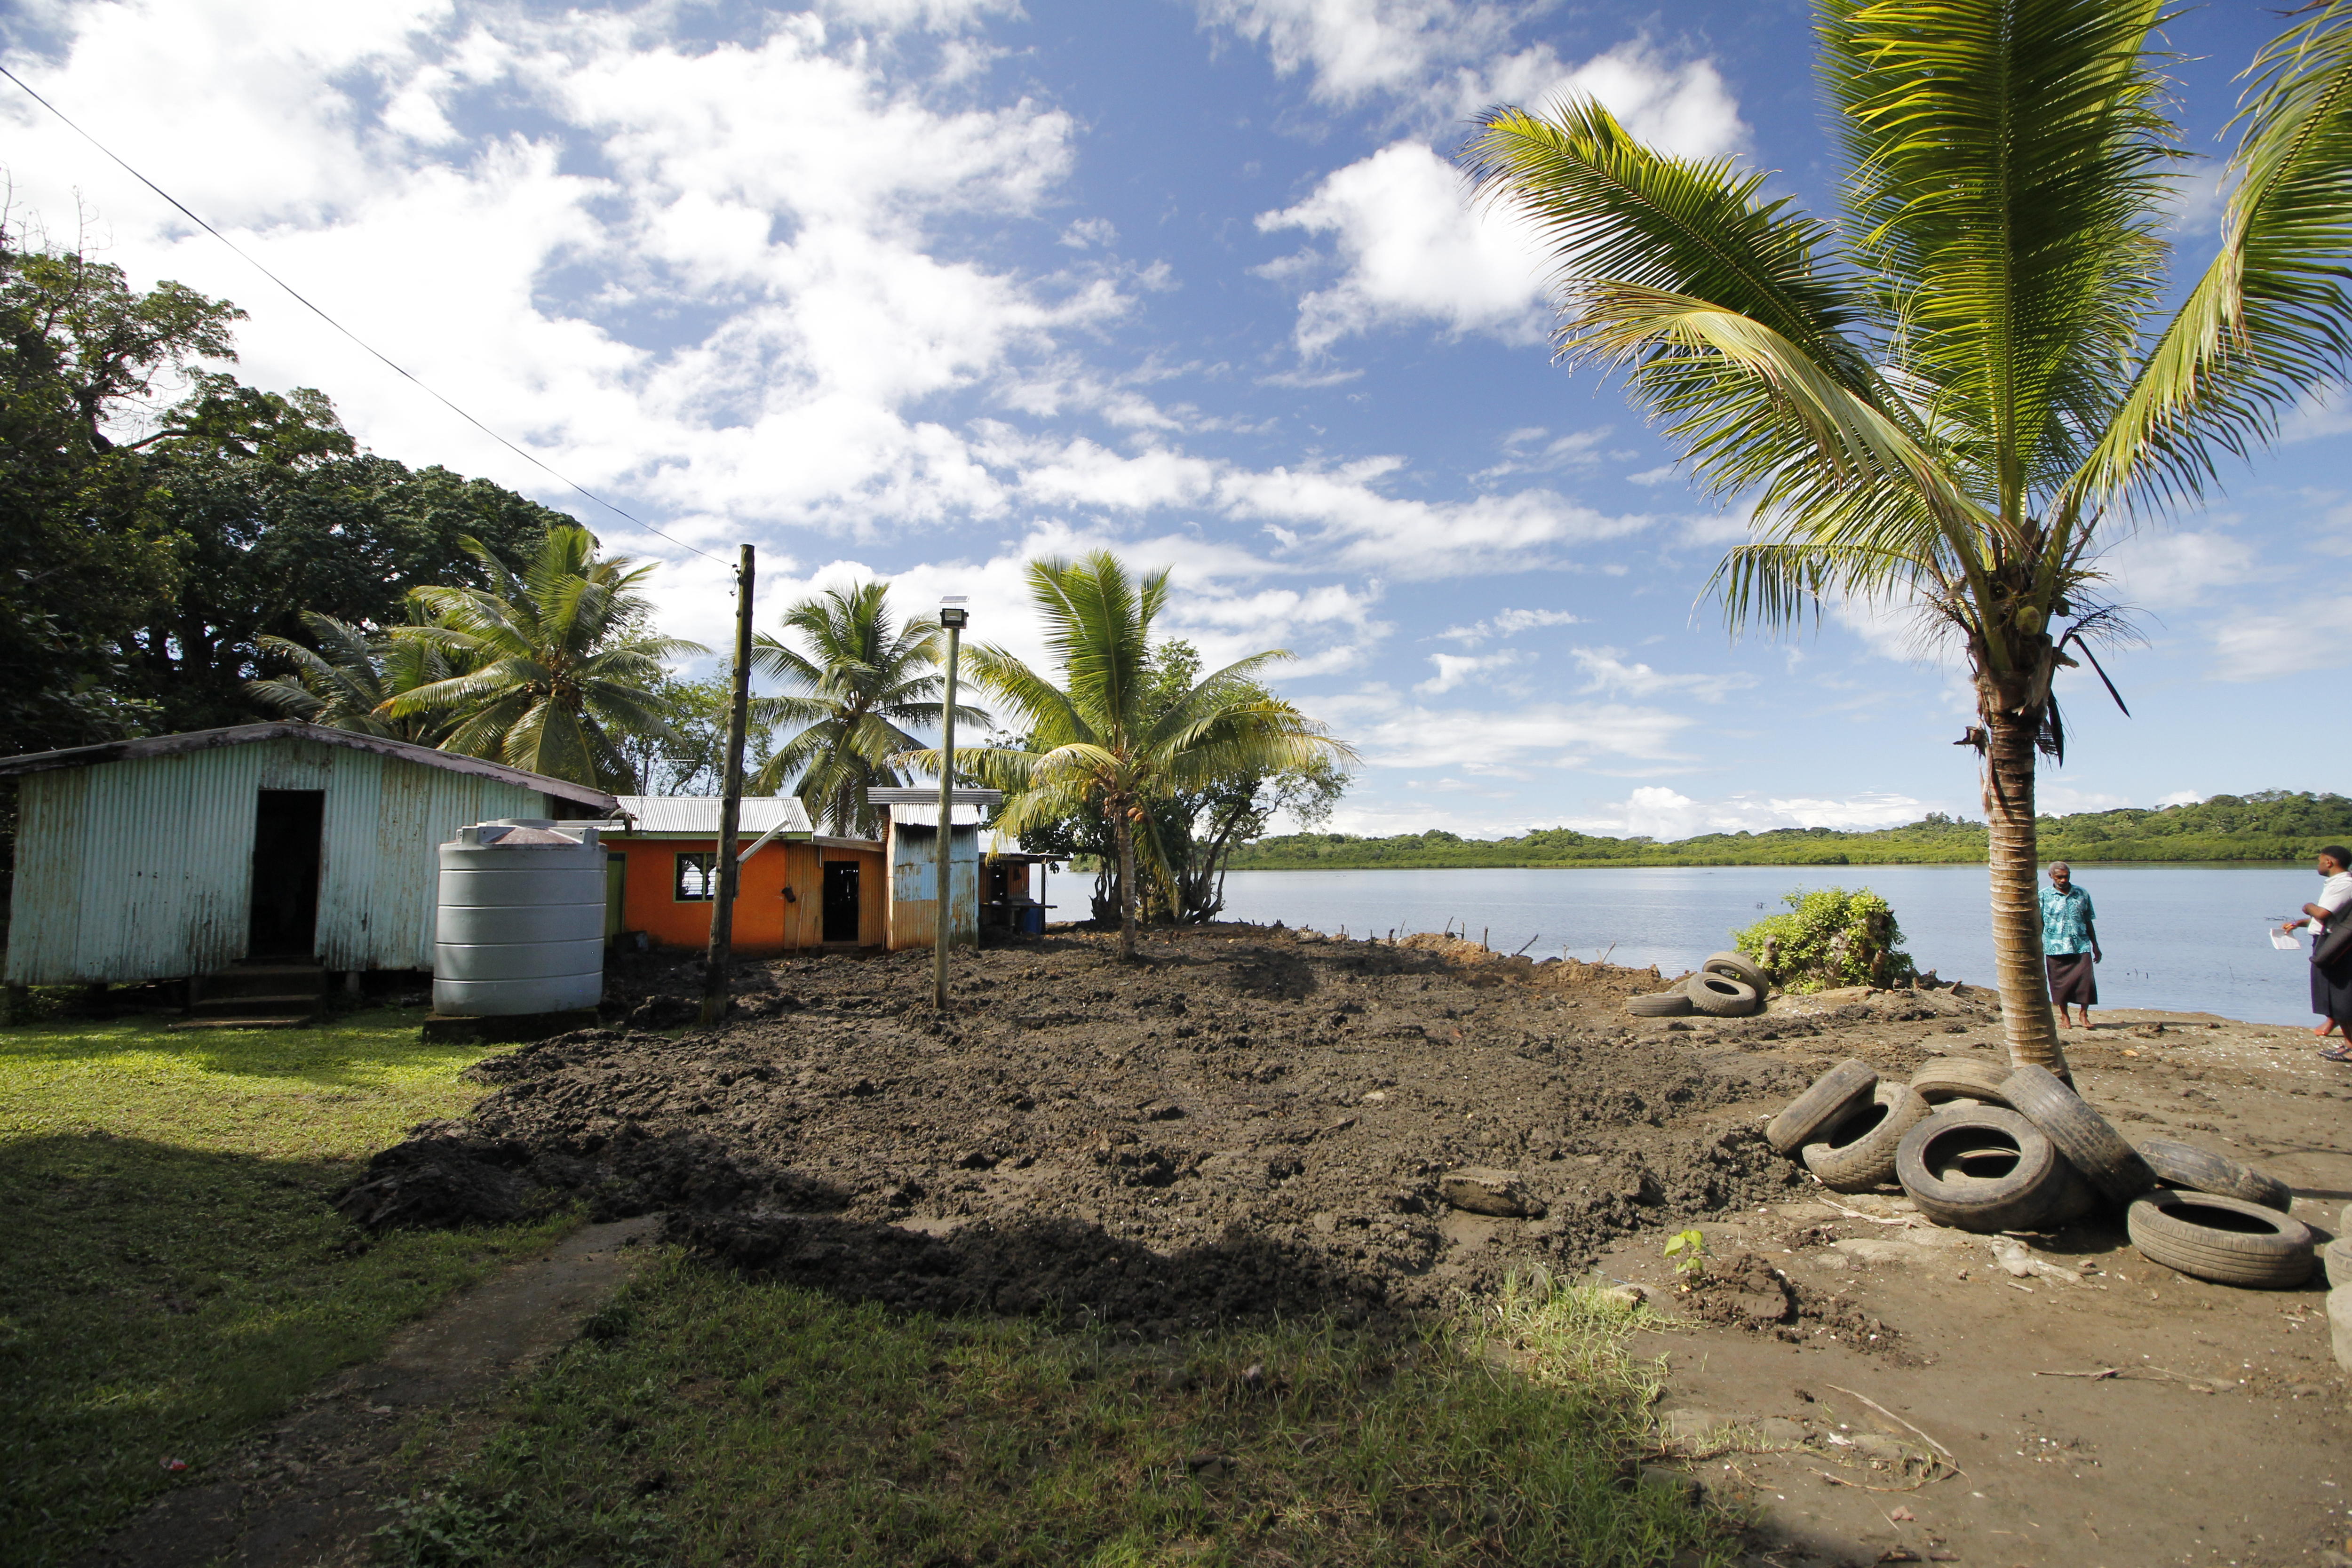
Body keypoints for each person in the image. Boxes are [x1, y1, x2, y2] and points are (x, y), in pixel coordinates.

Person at [2276, 845, 2352, 1059]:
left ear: (2329, 862)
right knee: (2333, 995)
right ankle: (2348, 1045)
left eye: (2320, 860)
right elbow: (2335, 917)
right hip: (2329, 939)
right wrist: (2304, 923)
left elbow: (2324, 912)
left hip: (2336, 944)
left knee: (2341, 995)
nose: (2318, 864)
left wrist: (2308, 907)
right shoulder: (2339, 884)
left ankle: (2351, 1047)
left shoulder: (2344, 884)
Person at [2039, 861, 2100, 1029]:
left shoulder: (2082, 894)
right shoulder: (2044, 896)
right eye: (2059, 877)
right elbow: (2039, 923)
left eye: (2066, 877)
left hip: (2081, 945)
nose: (2063, 880)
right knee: (2059, 984)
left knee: (2086, 981)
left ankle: (2083, 1015)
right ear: (2051, 876)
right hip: (2055, 946)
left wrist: (2096, 946)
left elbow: (2088, 921)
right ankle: (2065, 1017)